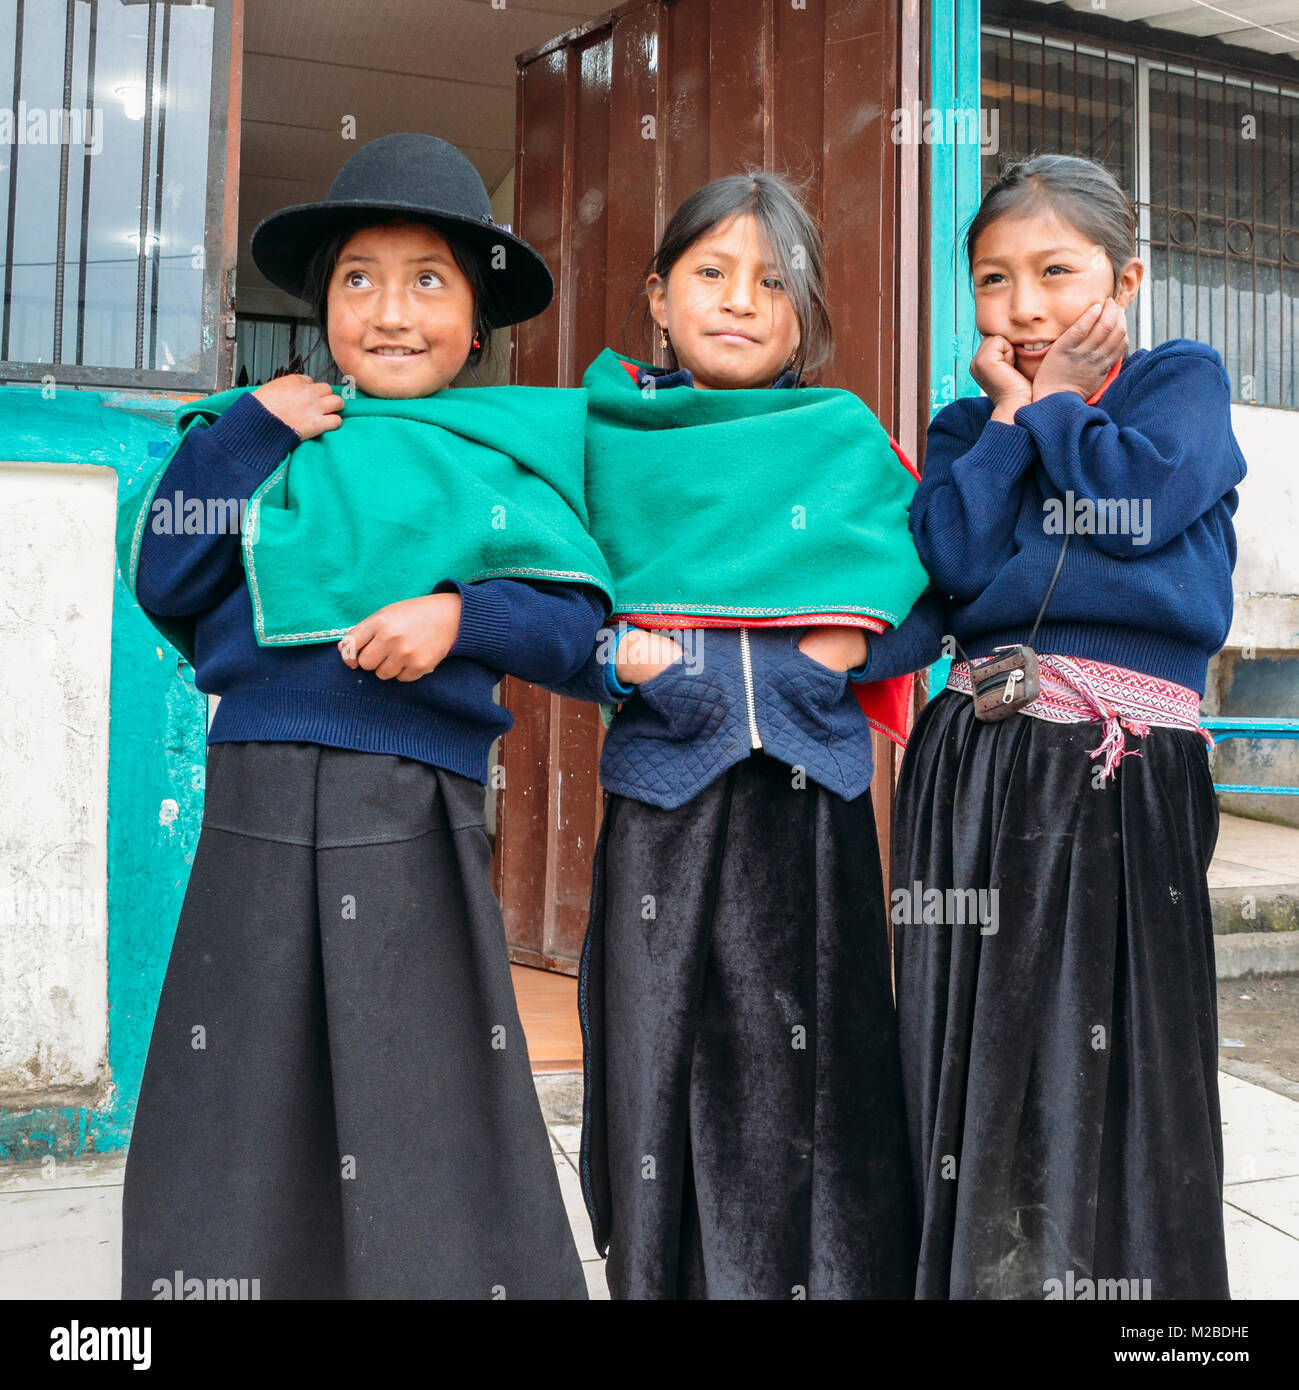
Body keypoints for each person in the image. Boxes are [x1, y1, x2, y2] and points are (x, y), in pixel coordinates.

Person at [115, 133, 613, 1300]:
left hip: (414, 809)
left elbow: (575, 632)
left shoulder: (508, 455)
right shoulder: (263, 438)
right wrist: (249, 430)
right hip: (260, 804)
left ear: (478, 324)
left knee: (423, 1081)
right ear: (323, 305)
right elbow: (167, 577)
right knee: (242, 1083)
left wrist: (459, 614)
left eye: (428, 279)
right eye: (359, 279)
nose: (392, 311)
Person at [553, 172, 930, 1299]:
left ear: (803, 316)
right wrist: (608, 654)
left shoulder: (841, 440)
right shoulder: (609, 435)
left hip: (811, 813)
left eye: (773, 282)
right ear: (659, 297)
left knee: (818, 1068)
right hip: (666, 807)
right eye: (710, 274)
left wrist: (849, 653)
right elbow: (544, 583)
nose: (739, 301)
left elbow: (932, 581)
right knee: (661, 1060)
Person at [895, 153, 1243, 1299]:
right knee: (986, 1054)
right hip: (982, 761)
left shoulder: (1176, 382)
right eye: (993, 281)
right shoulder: (964, 425)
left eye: (1056, 272)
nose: (1025, 307)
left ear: (1126, 279)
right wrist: (1006, 419)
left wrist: (1049, 408)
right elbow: (952, 560)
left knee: (1125, 1048)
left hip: (1122, 769)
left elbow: (1138, 512)